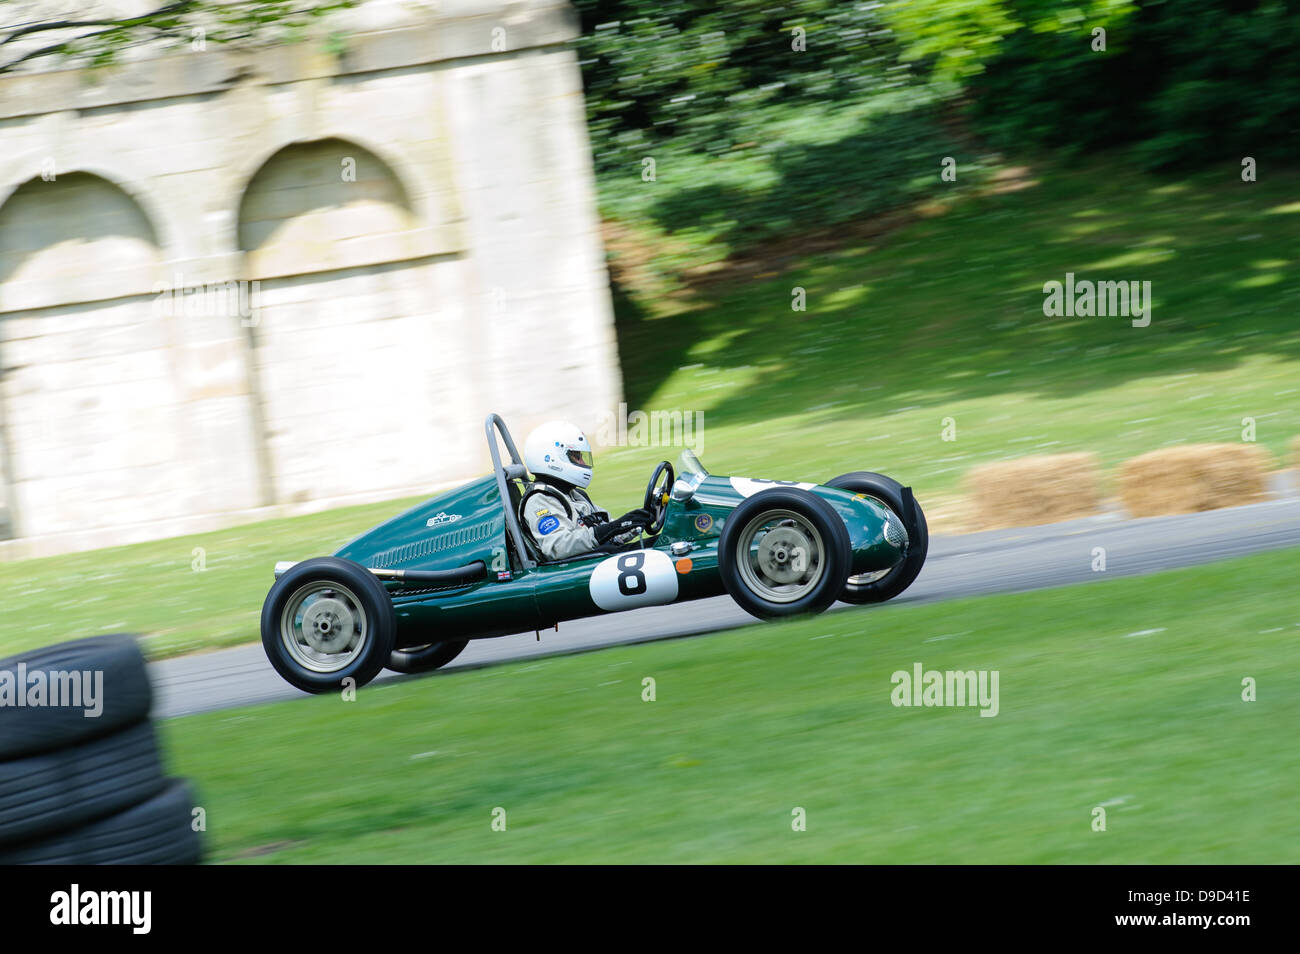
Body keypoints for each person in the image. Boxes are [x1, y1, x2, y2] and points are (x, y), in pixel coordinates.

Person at [519, 420, 654, 561]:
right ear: (551, 459)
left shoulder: (574, 495)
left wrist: (637, 521)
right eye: (576, 457)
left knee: (663, 543)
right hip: (577, 572)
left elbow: (609, 530)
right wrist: (615, 527)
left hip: (603, 557)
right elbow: (559, 547)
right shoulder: (539, 500)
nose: (582, 463)